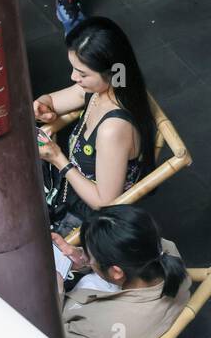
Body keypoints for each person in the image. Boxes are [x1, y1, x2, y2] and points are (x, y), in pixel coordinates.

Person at [34, 16, 155, 230]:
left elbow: (104, 203)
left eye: (82, 73)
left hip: (85, 218)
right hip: (67, 188)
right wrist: (41, 105)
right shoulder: (104, 88)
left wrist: (58, 159)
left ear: (112, 71)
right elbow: (52, 101)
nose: (73, 77)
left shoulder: (114, 129)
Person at [53, 207, 191, 338]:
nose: (86, 258)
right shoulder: (164, 251)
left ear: (116, 272)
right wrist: (83, 259)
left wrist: (54, 295)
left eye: (90, 257)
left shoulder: (95, 332)